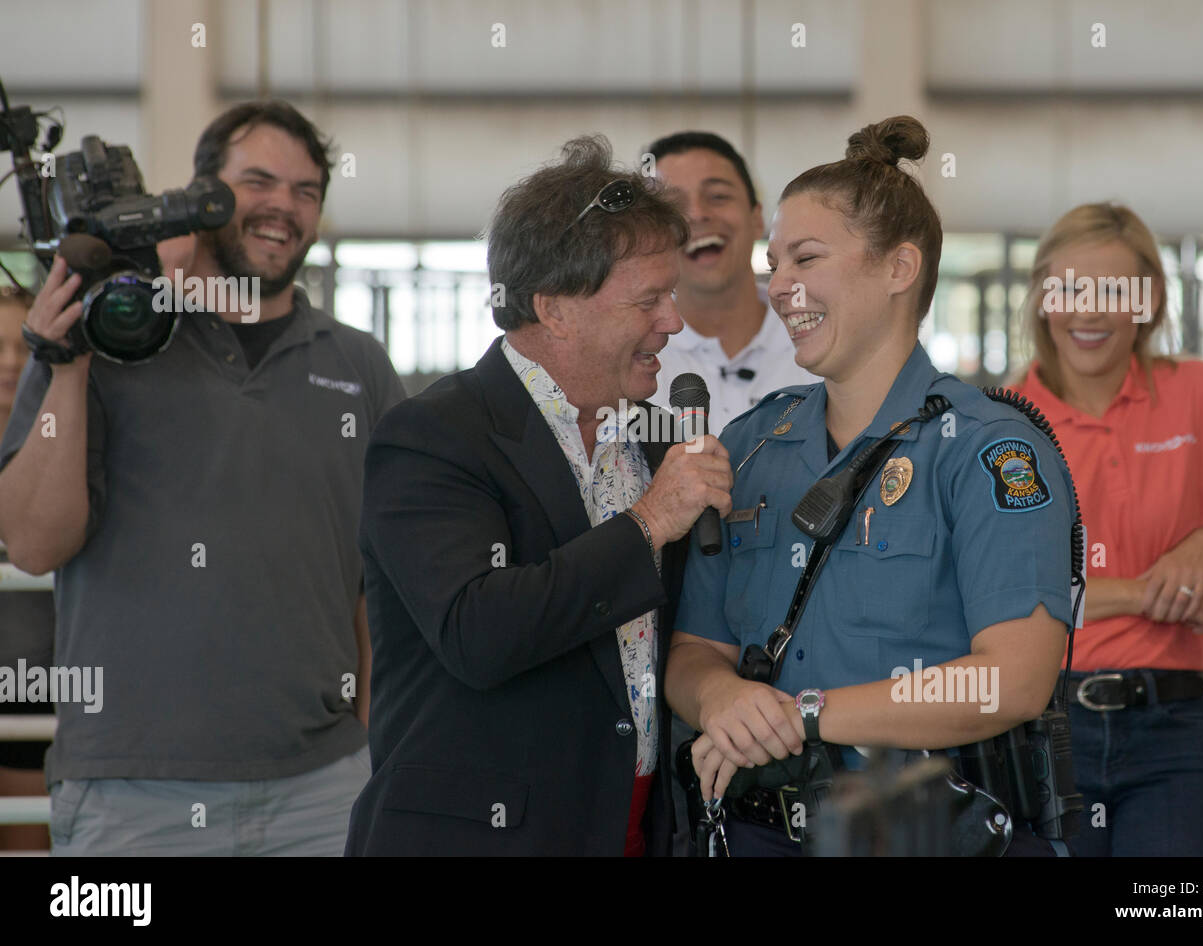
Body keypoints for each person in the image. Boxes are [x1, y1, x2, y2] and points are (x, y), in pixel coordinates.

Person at [0, 101, 406, 856]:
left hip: (322, 792)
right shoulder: (106, 338)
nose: (283, 204)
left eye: (306, 190)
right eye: (258, 182)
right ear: (202, 194)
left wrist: (370, 747)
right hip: (131, 798)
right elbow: (30, 544)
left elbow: (377, 583)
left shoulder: (358, 366)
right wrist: (72, 361)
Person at [665, 116, 1079, 857]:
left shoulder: (987, 450)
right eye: (774, 262)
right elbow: (695, 648)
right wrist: (720, 697)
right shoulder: (749, 444)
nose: (779, 286)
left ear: (898, 268)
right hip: (754, 833)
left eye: (806, 258)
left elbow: (1010, 682)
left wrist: (807, 714)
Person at [345, 136, 733, 857]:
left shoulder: (654, 440)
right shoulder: (432, 436)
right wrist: (648, 522)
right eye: (649, 299)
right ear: (555, 309)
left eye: (672, 295)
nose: (674, 322)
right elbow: (477, 632)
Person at [1009, 202, 1203, 857]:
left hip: (1176, 723)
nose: (1089, 310)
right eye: (1070, 287)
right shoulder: (1004, 421)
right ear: (1043, 298)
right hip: (1040, 722)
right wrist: (1146, 592)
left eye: (1114, 290)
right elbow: (1016, 590)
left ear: (1149, 300)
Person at [645, 131, 815, 430]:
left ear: (757, 218)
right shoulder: (635, 358)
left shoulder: (820, 342)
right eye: (674, 205)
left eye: (718, 197)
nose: (697, 214)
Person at [0, 285, 55, 852]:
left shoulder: (64, 446)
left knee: (25, 845)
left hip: (33, 691)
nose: (10, 362)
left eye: (23, 347)